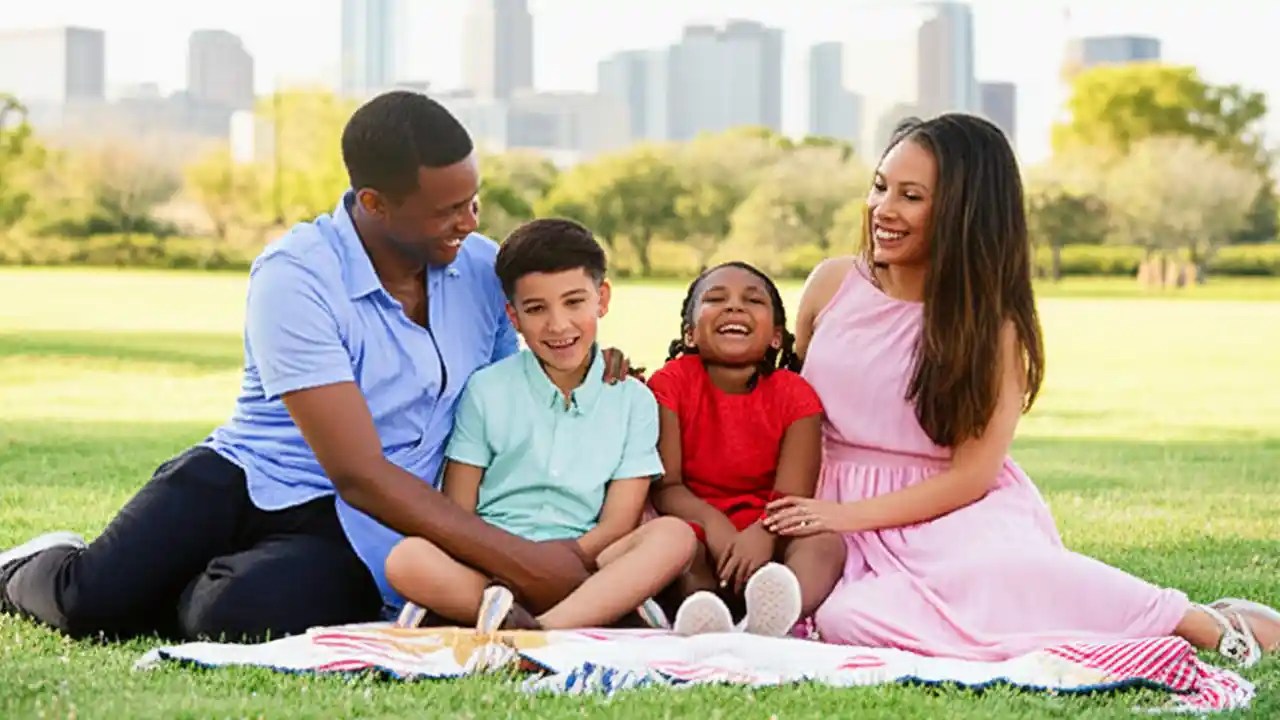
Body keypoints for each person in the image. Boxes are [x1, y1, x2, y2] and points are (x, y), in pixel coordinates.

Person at [0, 91, 637, 642]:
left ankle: (190, 587)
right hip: (246, 478)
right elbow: (358, 471)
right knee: (91, 604)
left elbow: (513, 393)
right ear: (375, 204)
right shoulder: (297, 276)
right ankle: (33, 563)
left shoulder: (478, 268)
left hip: (360, 527)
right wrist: (522, 563)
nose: (469, 224)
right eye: (447, 210)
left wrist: (590, 363)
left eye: (474, 201)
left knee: (230, 614)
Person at [763, 113, 1280, 667]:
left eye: (910, 196)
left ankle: (1197, 621)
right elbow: (783, 405)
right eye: (880, 186)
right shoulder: (833, 285)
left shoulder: (992, 329)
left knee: (875, 612)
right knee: (847, 616)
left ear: (964, 212)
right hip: (825, 507)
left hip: (946, 518)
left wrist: (849, 516)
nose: (882, 209)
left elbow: (972, 475)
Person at [386, 218, 695, 632]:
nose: (558, 325)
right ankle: (593, 613)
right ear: (512, 316)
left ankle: (533, 629)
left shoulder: (633, 399)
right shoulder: (487, 390)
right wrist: (517, 562)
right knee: (406, 559)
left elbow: (619, 522)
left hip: (585, 558)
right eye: (536, 309)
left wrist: (562, 560)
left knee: (674, 536)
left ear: (601, 299)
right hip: (493, 560)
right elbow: (460, 508)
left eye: (574, 302)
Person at [647, 262, 846, 637]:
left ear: (775, 337)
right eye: (716, 299)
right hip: (700, 528)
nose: (734, 307)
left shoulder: (795, 394)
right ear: (690, 334)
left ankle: (771, 620)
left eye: (752, 300)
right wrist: (713, 524)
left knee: (824, 543)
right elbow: (667, 486)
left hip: (769, 530)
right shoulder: (671, 384)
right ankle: (707, 617)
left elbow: (792, 496)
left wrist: (764, 533)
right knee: (678, 546)